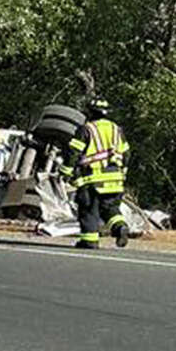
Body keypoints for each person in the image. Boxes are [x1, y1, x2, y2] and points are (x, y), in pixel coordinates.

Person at [66, 97, 130, 249]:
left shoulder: (87, 129)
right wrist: (123, 172)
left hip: (92, 179)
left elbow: (74, 152)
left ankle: (89, 241)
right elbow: (126, 153)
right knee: (110, 208)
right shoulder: (116, 129)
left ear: (90, 112)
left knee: (89, 210)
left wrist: (66, 171)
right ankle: (120, 227)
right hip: (115, 179)